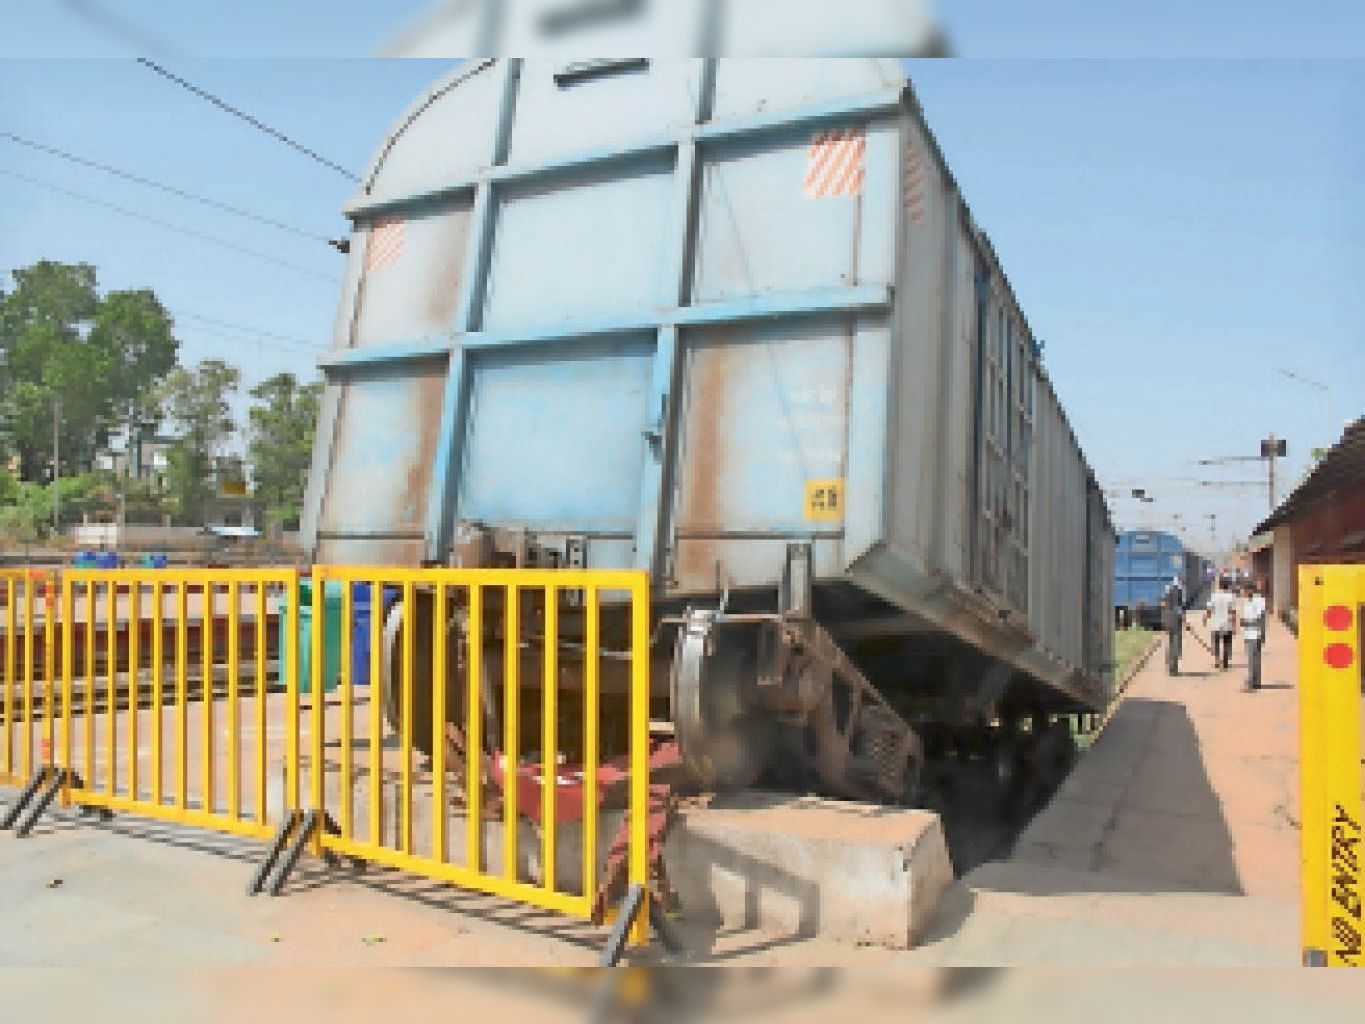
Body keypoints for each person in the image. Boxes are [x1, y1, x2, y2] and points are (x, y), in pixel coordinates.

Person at [1240, 579, 1268, 692]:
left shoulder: (1259, 601)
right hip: (1248, 634)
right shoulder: (1248, 601)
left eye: (1245, 591)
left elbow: (1260, 618)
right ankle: (1255, 682)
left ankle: (1252, 683)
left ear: (1250, 590)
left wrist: (1262, 633)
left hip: (1255, 633)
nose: (1244, 593)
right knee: (1252, 659)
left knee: (1253, 660)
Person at [1204, 577, 1237, 670]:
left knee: (1216, 643)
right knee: (1226, 643)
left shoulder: (1214, 596)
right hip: (1227, 623)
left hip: (1216, 624)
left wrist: (1205, 619)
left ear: (1219, 585)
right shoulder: (1231, 597)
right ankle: (1225, 661)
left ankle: (1217, 661)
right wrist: (1234, 626)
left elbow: (1209, 610)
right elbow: (1233, 612)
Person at [1162, 575, 1186, 676]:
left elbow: (1164, 605)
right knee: (1177, 641)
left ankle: (1169, 661)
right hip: (1176, 619)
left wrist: (1164, 620)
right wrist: (1184, 619)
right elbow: (1180, 607)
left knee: (1171, 641)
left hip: (1168, 618)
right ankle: (1174, 665)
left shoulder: (1167, 590)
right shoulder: (1180, 591)